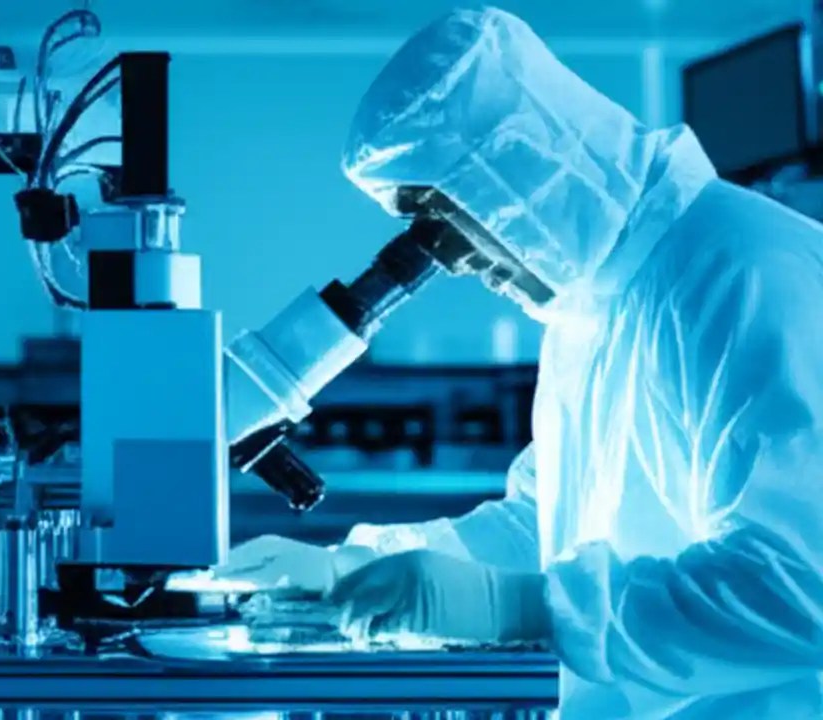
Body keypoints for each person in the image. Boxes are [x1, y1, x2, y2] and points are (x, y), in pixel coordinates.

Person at [213, 7, 823, 718]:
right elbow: (547, 527)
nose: (461, 263)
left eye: (448, 223)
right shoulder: (591, 310)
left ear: (526, 169)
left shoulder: (743, 270)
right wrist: (359, 564)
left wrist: (512, 605)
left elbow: (797, 587)